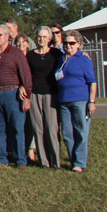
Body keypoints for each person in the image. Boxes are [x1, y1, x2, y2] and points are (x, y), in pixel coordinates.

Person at [0, 24, 33, 168]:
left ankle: (20, 159)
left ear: (7, 36)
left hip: (13, 94)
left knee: (17, 128)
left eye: (0, 35)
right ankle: (2, 159)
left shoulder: (16, 53)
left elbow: (26, 75)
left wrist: (27, 95)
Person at [57, 30, 97, 172]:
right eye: (66, 43)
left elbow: (92, 82)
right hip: (64, 101)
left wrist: (91, 101)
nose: (68, 45)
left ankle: (79, 163)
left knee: (81, 132)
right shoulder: (61, 59)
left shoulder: (84, 60)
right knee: (67, 133)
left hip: (80, 100)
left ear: (78, 44)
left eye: (72, 43)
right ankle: (73, 160)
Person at [27, 26, 62, 169]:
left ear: (49, 39)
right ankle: (43, 161)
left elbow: (68, 61)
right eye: (39, 36)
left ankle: (55, 161)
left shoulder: (56, 54)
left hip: (51, 94)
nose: (41, 39)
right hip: (35, 94)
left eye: (44, 37)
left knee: (51, 128)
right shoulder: (30, 55)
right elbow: (26, 74)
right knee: (38, 128)